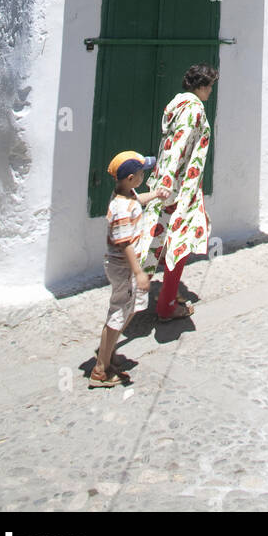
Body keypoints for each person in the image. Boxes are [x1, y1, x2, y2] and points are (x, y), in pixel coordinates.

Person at [140, 62, 218, 320]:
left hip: (171, 183)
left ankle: (141, 294)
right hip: (181, 188)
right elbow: (180, 143)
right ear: (203, 86)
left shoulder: (177, 105)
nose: (210, 92)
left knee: (158, 237)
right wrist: (168, 181)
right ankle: (167, 305)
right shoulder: (194, 109)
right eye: (210, 86)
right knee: (179, 242)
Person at [90, 150, 161, 387]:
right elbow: (125, 243)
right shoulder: (120, 208)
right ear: (131, 178)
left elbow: (137, 201)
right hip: (123, 268)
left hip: (127, 267)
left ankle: (108, 353)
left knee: (129, 309)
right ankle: (101, 369)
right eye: (141, 173)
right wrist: (138, 272)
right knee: (119, 312)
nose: (143, 176)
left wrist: (155, 195)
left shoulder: (126, 194)